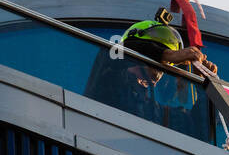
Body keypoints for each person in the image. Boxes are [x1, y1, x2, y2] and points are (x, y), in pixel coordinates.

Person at [83, 18, 217, 125]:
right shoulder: (106, 79)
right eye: (144, 69)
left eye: (154, 78)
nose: (150, 81)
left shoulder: (156, 113)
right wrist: (167, 55)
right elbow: (116, 51)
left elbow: (198, 127)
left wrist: (208, 85)